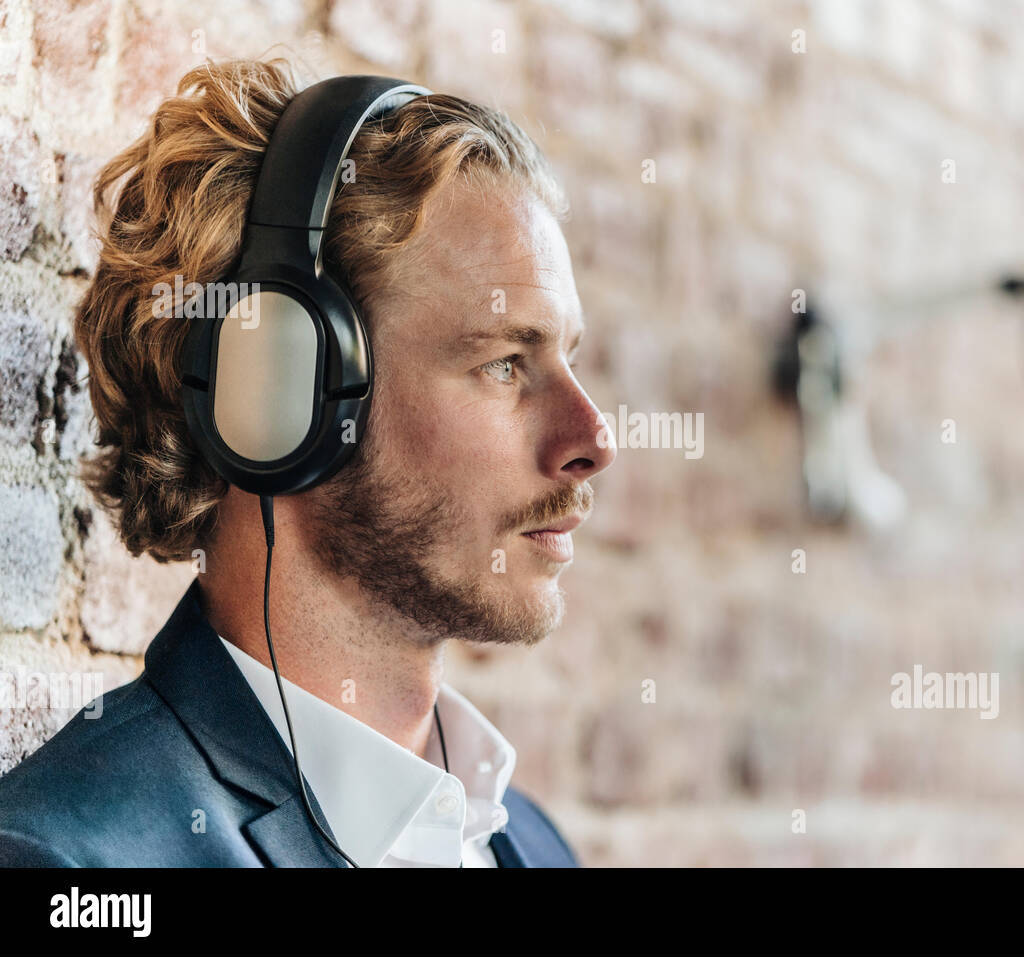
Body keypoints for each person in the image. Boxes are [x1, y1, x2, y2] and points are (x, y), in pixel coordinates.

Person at [0, 57, 615, 867]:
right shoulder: (74, 859)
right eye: (505, 362)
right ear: (283, 394)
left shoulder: (534, 842)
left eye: (568, 356)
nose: (594, 438)